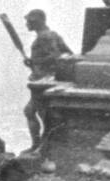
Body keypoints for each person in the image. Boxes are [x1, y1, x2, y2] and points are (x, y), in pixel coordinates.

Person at [22, 9, 73, 150]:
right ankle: (40, 144)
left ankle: (40, 145)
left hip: (43, 83)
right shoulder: (52, 35)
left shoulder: (44, 37)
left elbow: (55, 56)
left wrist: (34, 61)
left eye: (28, 21)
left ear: (36, 21)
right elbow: (68, 53)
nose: (26, 24)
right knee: (32, 112)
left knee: (40, 114)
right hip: (46, 81)